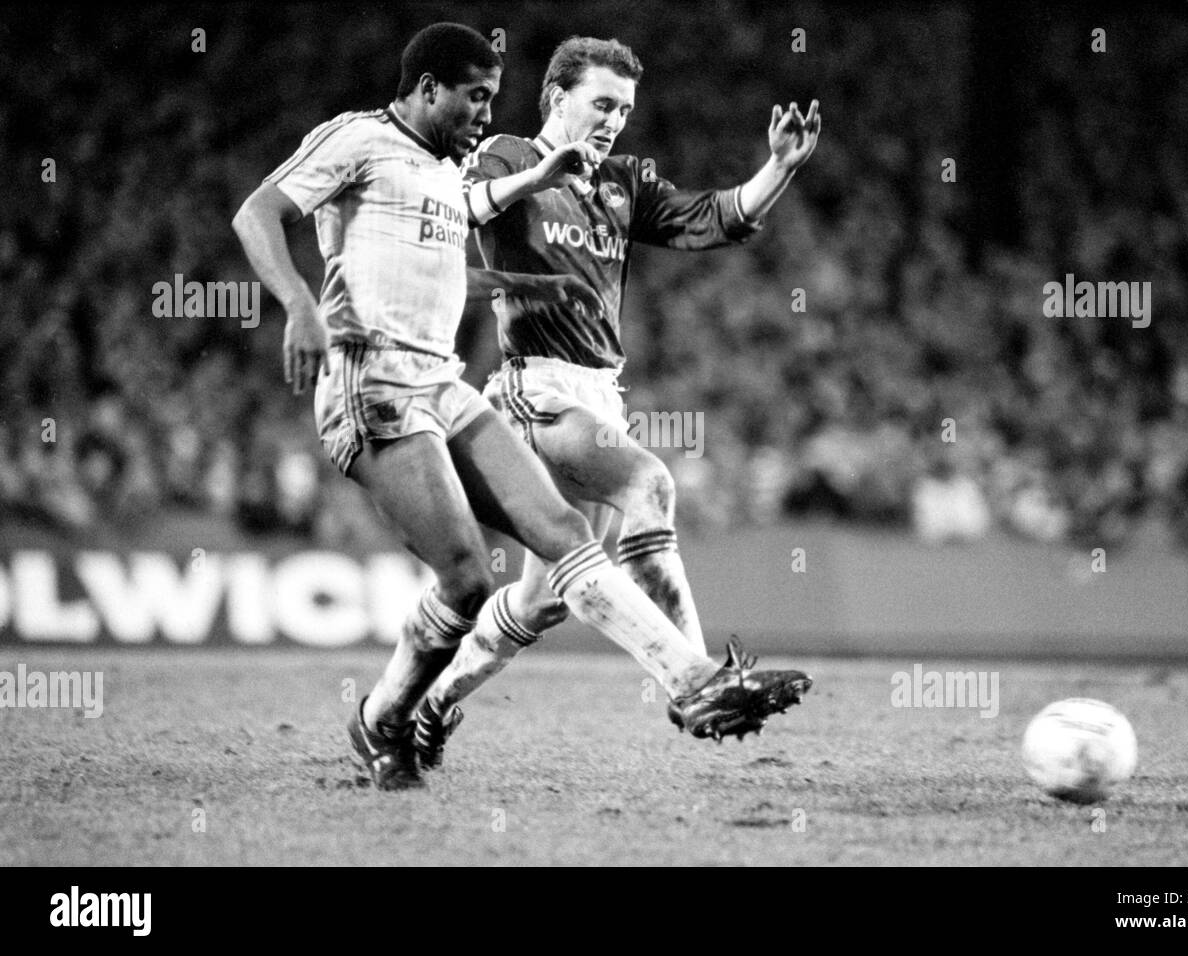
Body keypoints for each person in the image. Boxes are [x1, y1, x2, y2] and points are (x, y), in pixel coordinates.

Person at [231, 23, 811, 790]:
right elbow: (256, 213)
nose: (482, 113)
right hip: (395, 384)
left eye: (491, 99)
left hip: (459, 385)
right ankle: (391, 719)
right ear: (432, 87)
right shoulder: (382, 142)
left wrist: (522, 284)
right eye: (475, 97)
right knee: (521, 552)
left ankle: (435, 708)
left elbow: (439, 269)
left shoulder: (467, 173)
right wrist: (300, 308)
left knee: (551, 565)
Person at [416, 36, 820, 766]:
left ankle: (429, 703)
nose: (613, 121)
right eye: (601, 104)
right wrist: (539, 174)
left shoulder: (621, 183)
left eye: (624, 110)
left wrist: (778, 169)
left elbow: (713, 218)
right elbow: (455, 215)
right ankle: (695, 679)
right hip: (532, 388)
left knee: (542, 601)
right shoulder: (508, 155)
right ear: (557, 98)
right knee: (650, 482)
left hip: (600, 396)